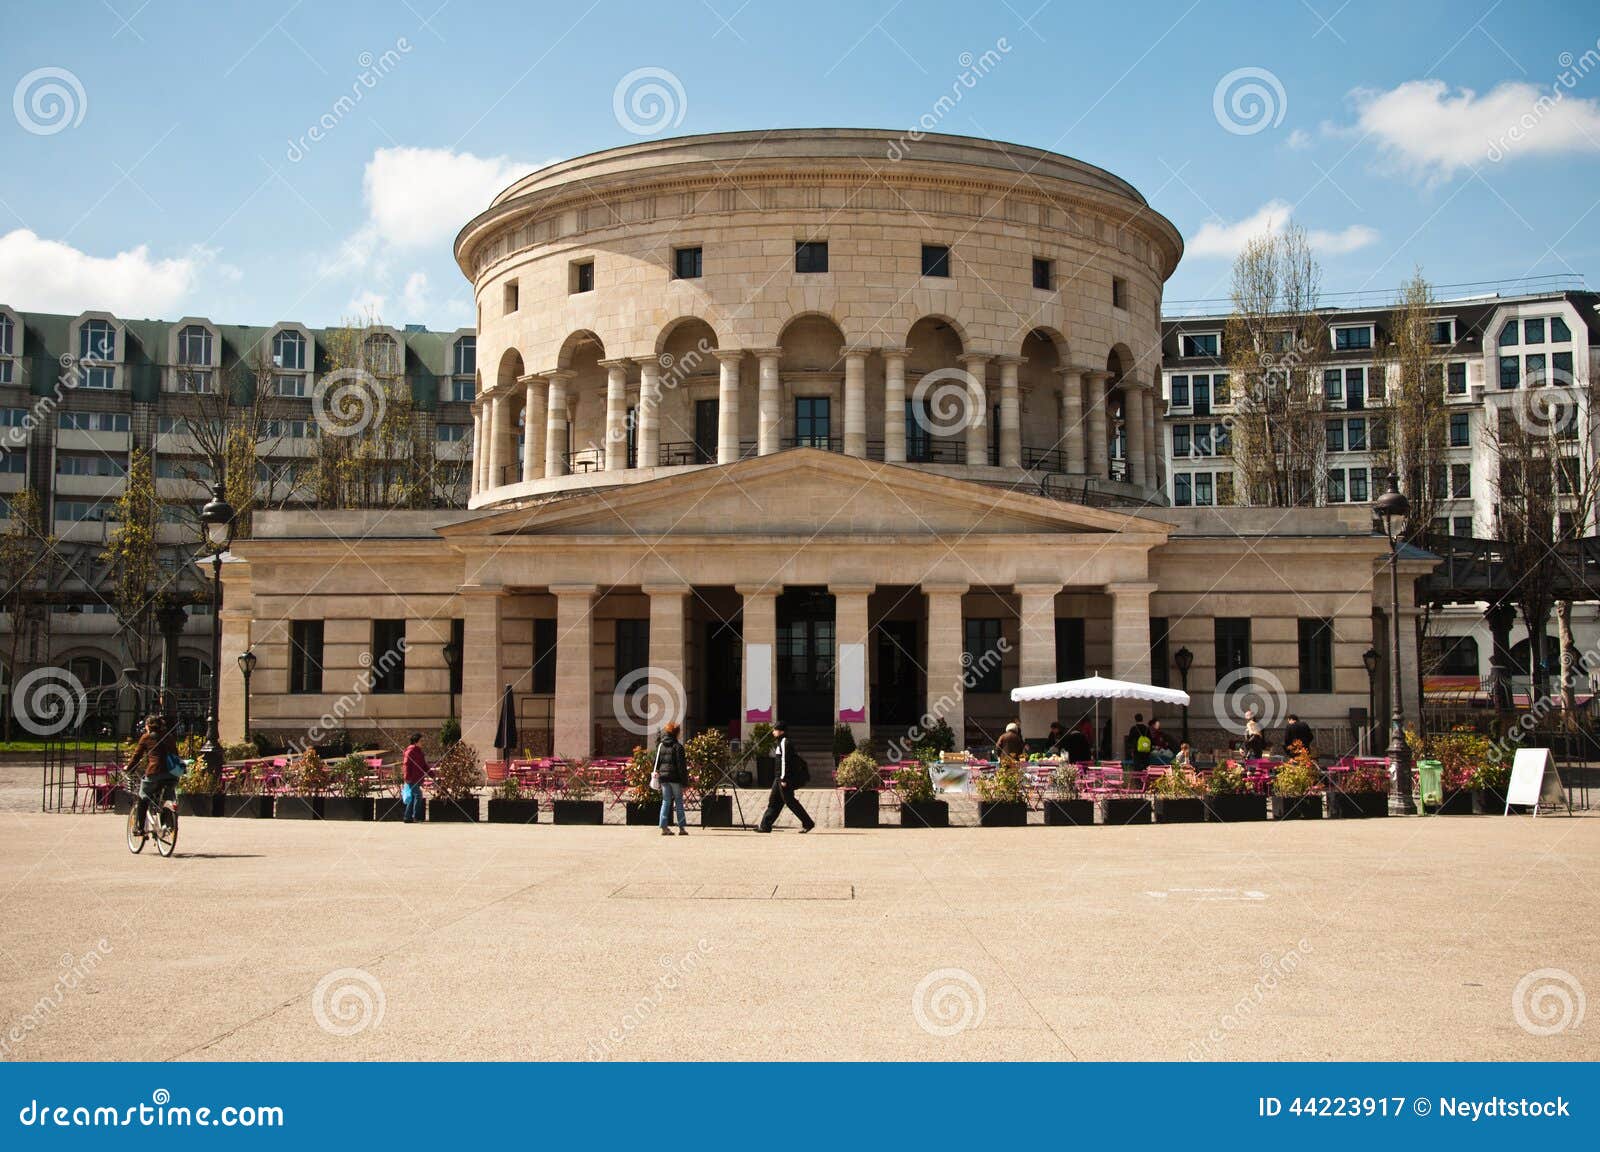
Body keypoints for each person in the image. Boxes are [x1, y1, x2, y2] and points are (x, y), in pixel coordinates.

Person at [757, 721, 814, 833]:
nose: (773, 732)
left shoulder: (785, 742)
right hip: (778, 778)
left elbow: (785, 762)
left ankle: (808, 823)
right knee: (774, 801)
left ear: (781, 731)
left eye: (775, 730)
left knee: (790, 802)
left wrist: (784, 778)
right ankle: (765, 826)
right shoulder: (780, 742)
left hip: (783, 778)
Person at [125, 714, 180, 829]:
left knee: (143, 796)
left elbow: (137, 756)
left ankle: (140, 828)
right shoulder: (169, 737)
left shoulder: (146, 737)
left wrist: (128, 768)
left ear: (148, 726)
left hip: (155, 772)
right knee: (167, 798)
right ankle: (166, 824)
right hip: (173, 773)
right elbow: (176, 755)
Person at [654, 721, 688, 836]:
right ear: (676, 733)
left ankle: (664, 827)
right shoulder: (678, 747)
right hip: (675, 778)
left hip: (663, 778)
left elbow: (656, 762)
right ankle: (682, 828)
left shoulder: (661, 746)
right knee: (678, 801)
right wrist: (685, 782)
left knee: (665, 801)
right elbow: (681, 766)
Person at [402, 732, 429, 823]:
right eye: (421, 741)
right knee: (418, 795)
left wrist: (431, 773)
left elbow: (424, 765)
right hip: (411, 778)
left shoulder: (420, 752)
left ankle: (407, 817)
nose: (422, 743)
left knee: (413, 797)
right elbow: (406, 765)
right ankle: (415, 817)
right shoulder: (410, 751)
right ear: (415, 742)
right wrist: (407, 777)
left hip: (417, 778)